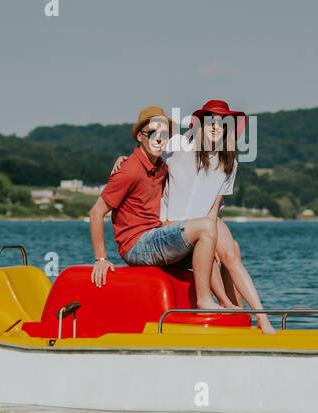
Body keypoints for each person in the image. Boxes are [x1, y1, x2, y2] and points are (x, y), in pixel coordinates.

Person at [112, 99, 276, 334]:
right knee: (212, 243)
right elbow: (150, 149)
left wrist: (213, 231)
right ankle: (225, 305)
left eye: (222, 123)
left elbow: (215, 206)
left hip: (204, 225)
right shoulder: (179, 145)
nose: (216, 127)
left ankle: (257, 316)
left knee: (232, 252)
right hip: (170, 226)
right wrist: (124, 158)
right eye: (211, 121)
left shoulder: (229, 162)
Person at [87, 107, 224, 310]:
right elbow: (96, 212)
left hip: (154, 236)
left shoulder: (161, 166)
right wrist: (101, 259)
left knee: (212, 252)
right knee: (206, 227)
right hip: (137, 246)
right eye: (152, 133)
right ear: (141, 137)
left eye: (165, 134)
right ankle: (204, 300)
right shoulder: (129, 171)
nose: (159, 139)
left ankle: (227, 305)